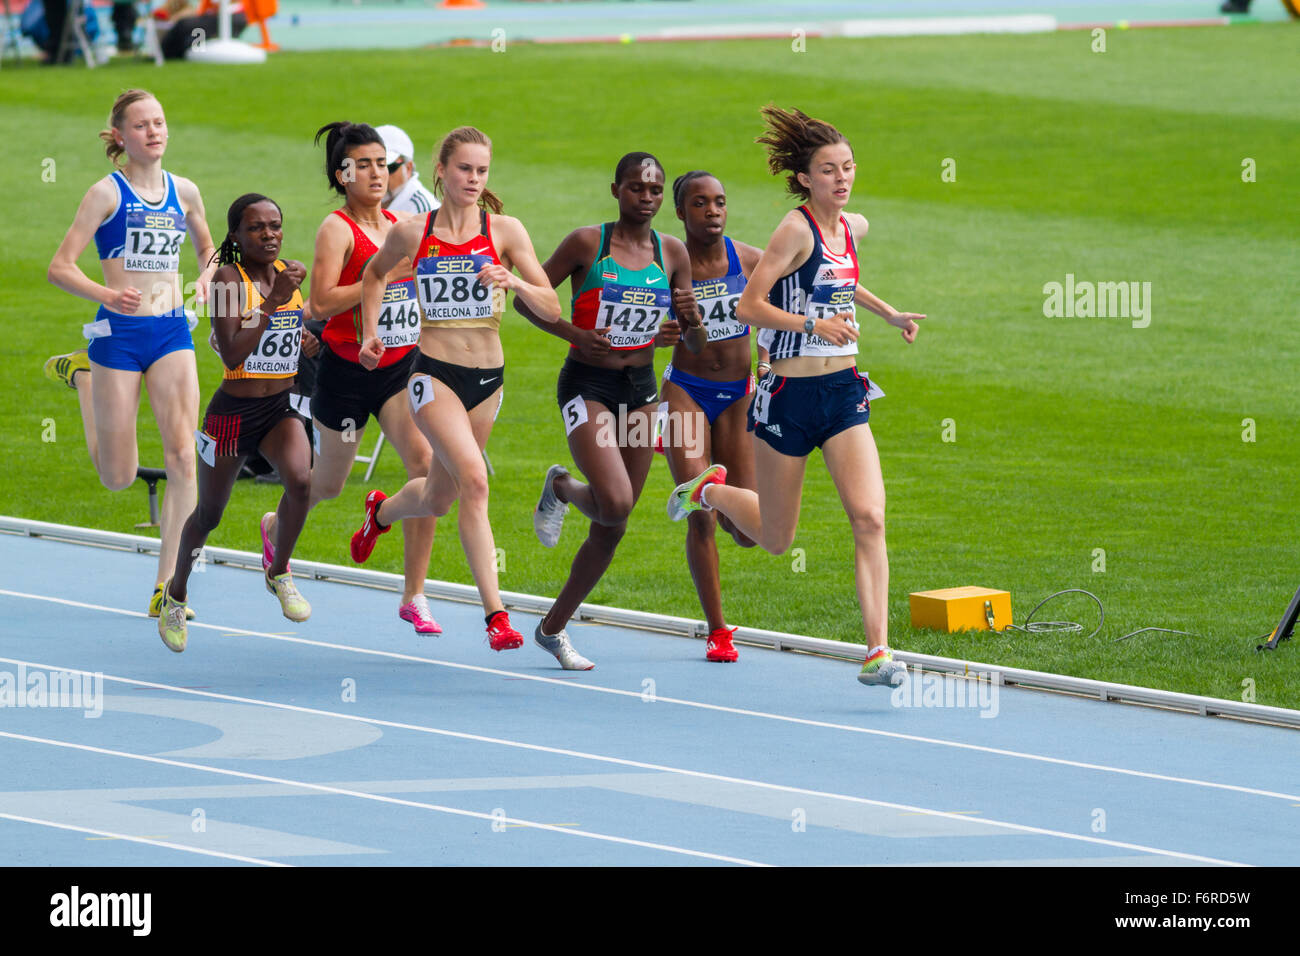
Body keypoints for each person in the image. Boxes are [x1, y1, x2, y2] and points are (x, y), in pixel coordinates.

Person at [666, 107, 924, 688]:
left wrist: (887, 314)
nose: (843, 177)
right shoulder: (794, 228)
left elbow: (839, 279)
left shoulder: (850, 227)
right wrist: (813, 327)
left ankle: (877, 650)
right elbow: (748, 306)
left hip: (843, 392)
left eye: (849, 166)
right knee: (776, 540)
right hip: (786, 396)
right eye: (829, 169)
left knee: (870, 516)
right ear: (806, 178)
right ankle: (708, 489)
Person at [349, 126, 560, 652]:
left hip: (488, 381)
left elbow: (552, 306)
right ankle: (497, 616)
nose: (473, 179)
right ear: (441, 171)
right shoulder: (414, 232)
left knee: (439, 498)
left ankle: (381, 512)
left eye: (482, 170)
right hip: (433, 374)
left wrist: (514, 283)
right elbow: (373, 277)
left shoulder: (506, 231)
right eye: (464, 168)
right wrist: (371, 333)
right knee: (474, 481)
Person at [521, 152, 700, 670]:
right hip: (587, 385)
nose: (646, 198)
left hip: (641, 388)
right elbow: (528, 300)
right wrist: (575, 335)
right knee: (616, 502)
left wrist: (683, 329)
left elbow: (696, 339)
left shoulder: (672, 253)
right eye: (636, 188)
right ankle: (562, 488)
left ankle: (553, 629)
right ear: (616, 190)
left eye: (655, 190)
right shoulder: (587, 244)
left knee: (613, 526)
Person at [45, 89, 216, 621]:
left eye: (160, 122)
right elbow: (60, 266)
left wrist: (207, 281)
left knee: (184, 455)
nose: (154, 131)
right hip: (116, 334)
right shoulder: (105, 195)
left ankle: (169, 586)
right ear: (120, 136)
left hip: (170, 333)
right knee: (117, 475)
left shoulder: (185, 191)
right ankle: (84, 379)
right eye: (141, 125)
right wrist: (105, 294)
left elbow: (211, 249)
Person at [265, 120, 441, 634]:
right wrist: (377, 279)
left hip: (399, 368)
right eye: (362, 164)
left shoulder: (402, 224)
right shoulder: (336, 228)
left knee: (426, 467)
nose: (376, 173)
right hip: (345, 371)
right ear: (342, 174)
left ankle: (414, 594)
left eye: (380, 162)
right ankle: (276, 525)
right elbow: (319, 302)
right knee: (327, 484)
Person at [158, 194, 312, 652]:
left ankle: (278, 569)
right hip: (233, 413)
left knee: (302, 482)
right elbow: (232, 352)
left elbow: (286, 331)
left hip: (279, 407)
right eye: (257, 228)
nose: (269, 235)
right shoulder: (228, 280)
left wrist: (304, 339)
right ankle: (176, 593)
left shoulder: (291, 275)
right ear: (236, 237)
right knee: (209, 514)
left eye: (275, 226)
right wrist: (275, 302)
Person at [661, 170, 764, 663]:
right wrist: (666, 326)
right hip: (685, 391)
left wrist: (768, 360)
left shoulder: (749, 260)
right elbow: (635, 327)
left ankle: (712, 493)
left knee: (747, 533)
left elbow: (788, 301)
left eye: (720, 201)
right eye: (700, 203)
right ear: (680, 212)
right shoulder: (664, 266)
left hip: (739, 396)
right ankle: (718, 630)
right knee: (700, 517)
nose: (713, 211)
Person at [376, 125, 440, 216]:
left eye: (389, 168)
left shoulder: (424, 212)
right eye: (369, 166)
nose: (378, 174)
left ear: (408, 168)